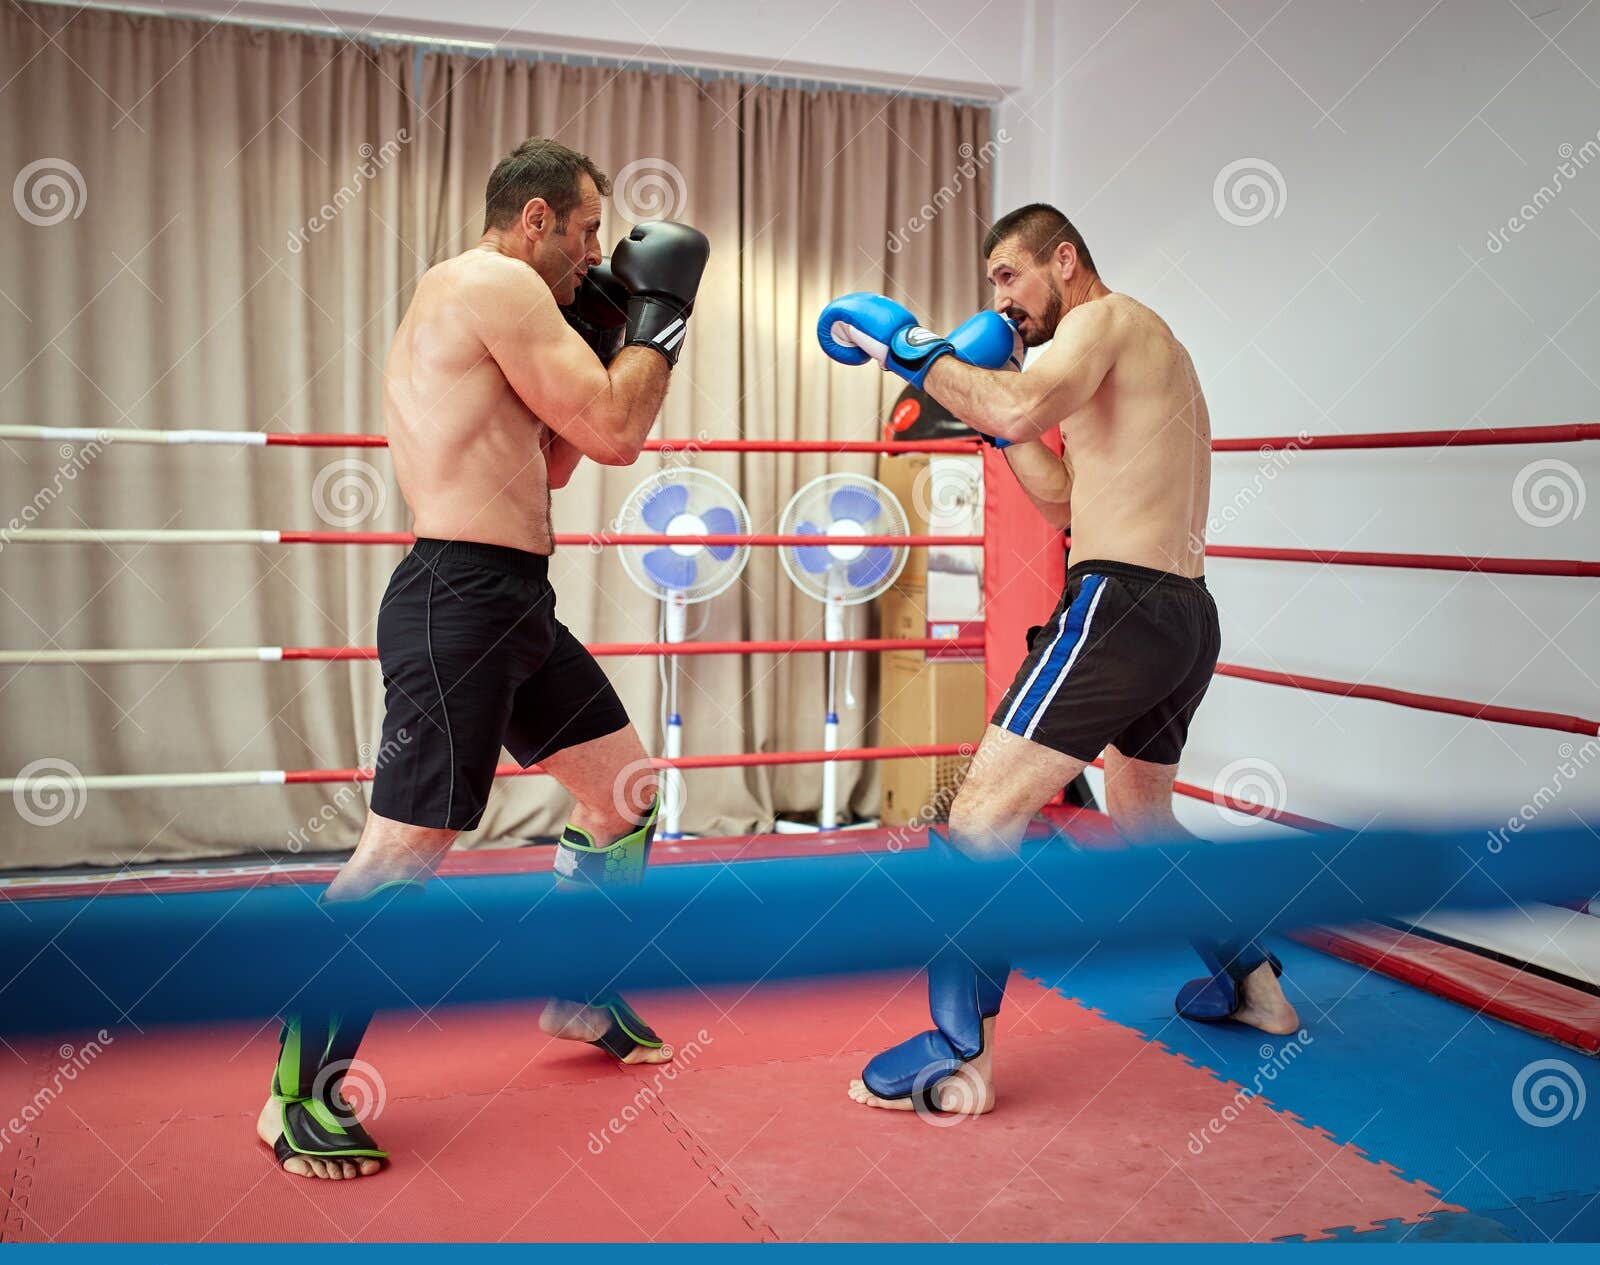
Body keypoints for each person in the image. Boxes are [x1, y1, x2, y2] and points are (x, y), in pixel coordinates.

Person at [258, 137, 709, 1178]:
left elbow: (554, 456)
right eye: (589, 228)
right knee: (402, 853)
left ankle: (576, 986)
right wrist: (660, 321)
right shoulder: (492, 279)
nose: (599, 248)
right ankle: (295, 1096)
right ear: (537, 219)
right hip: (454, 602)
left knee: (623, 794)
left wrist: (602, 328)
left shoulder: (516, 307)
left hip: (515, 606)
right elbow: (613, 432)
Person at [817, 202, 1299, 1118]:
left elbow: (1021, 398)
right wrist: (1001, 425)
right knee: (1144, 818)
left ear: (1064, 260)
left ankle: (961, 1057)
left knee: (978, 817)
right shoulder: (1144, 355)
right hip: (1181, 611)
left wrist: (914, 347)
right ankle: (1256, 986)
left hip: (1120, 606)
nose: (1004, 300)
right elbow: (1068, 504)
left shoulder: (1108, 320)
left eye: (1009, 277)